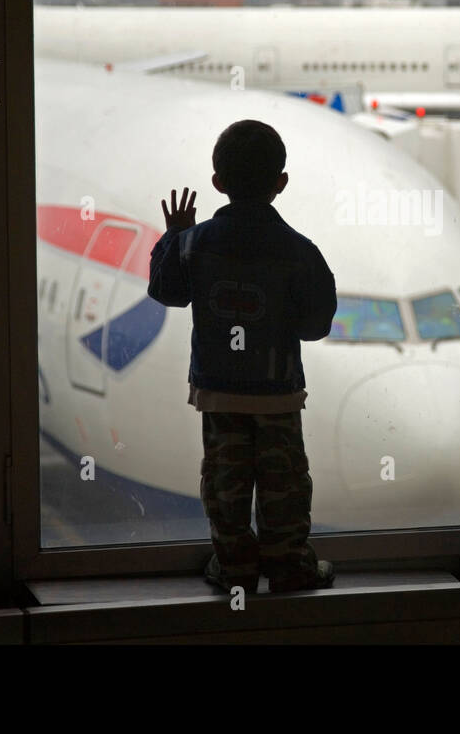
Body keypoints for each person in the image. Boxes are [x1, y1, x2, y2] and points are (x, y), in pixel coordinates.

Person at [148, 119, 337, 593]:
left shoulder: (193, 243)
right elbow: (315, 327)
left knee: (225, 482)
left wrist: (174, 235)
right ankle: (288, 565)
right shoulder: (300, 251)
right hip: (276, 394)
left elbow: (166, 292)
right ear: (281, 183)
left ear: (217, 183)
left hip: (219, 392)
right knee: (285, 482)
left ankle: (234, 566)